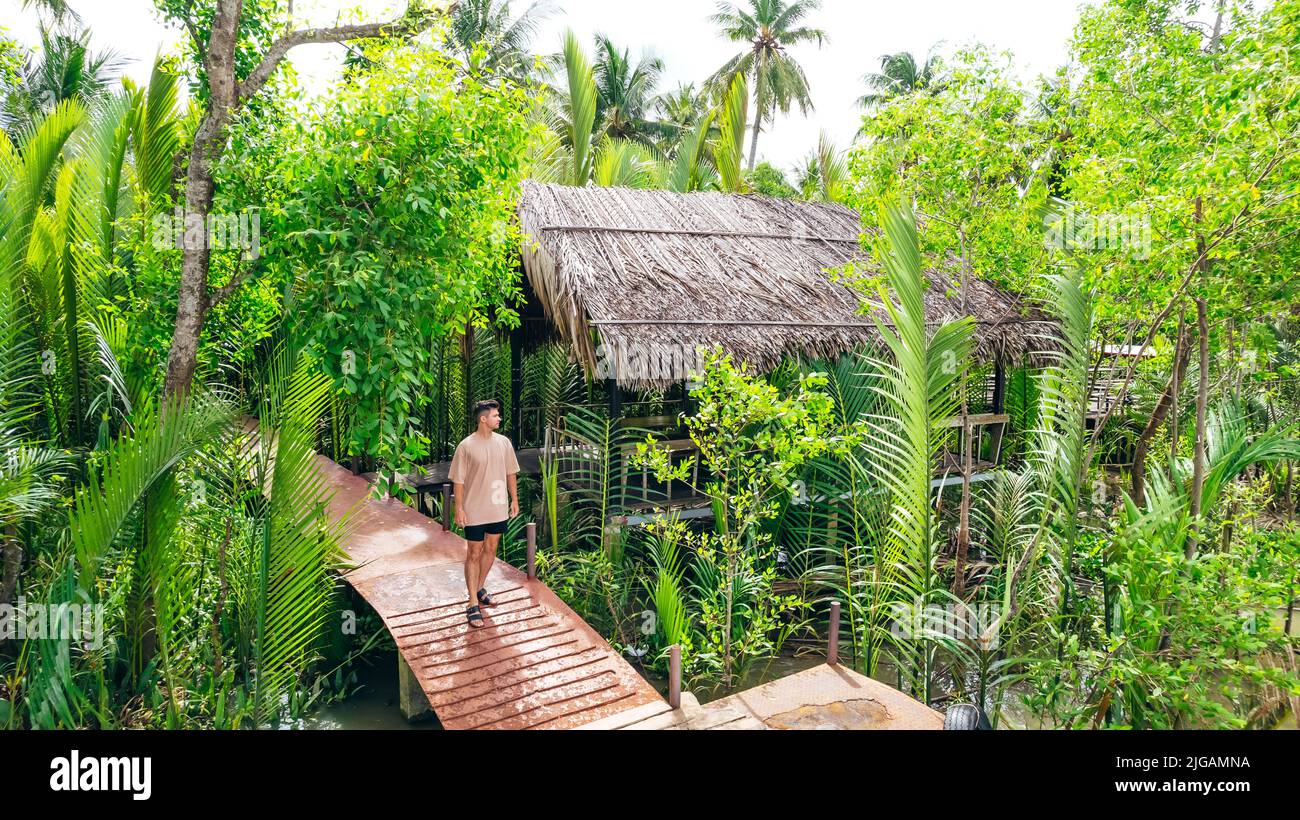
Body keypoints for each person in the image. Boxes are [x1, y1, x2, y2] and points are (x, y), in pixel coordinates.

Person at [447, 399, 520, 628]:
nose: (499, 418)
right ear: (483, 419)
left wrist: (514, 499)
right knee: (473, 553)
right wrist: (458, 508)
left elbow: (510, 473)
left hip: (498, 507)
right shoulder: (466, 446)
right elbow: (458, 480)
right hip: (474, 509)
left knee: (491, 548)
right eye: (496, 415)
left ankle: (479, 588)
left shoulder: (504, 443)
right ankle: (471, 603)